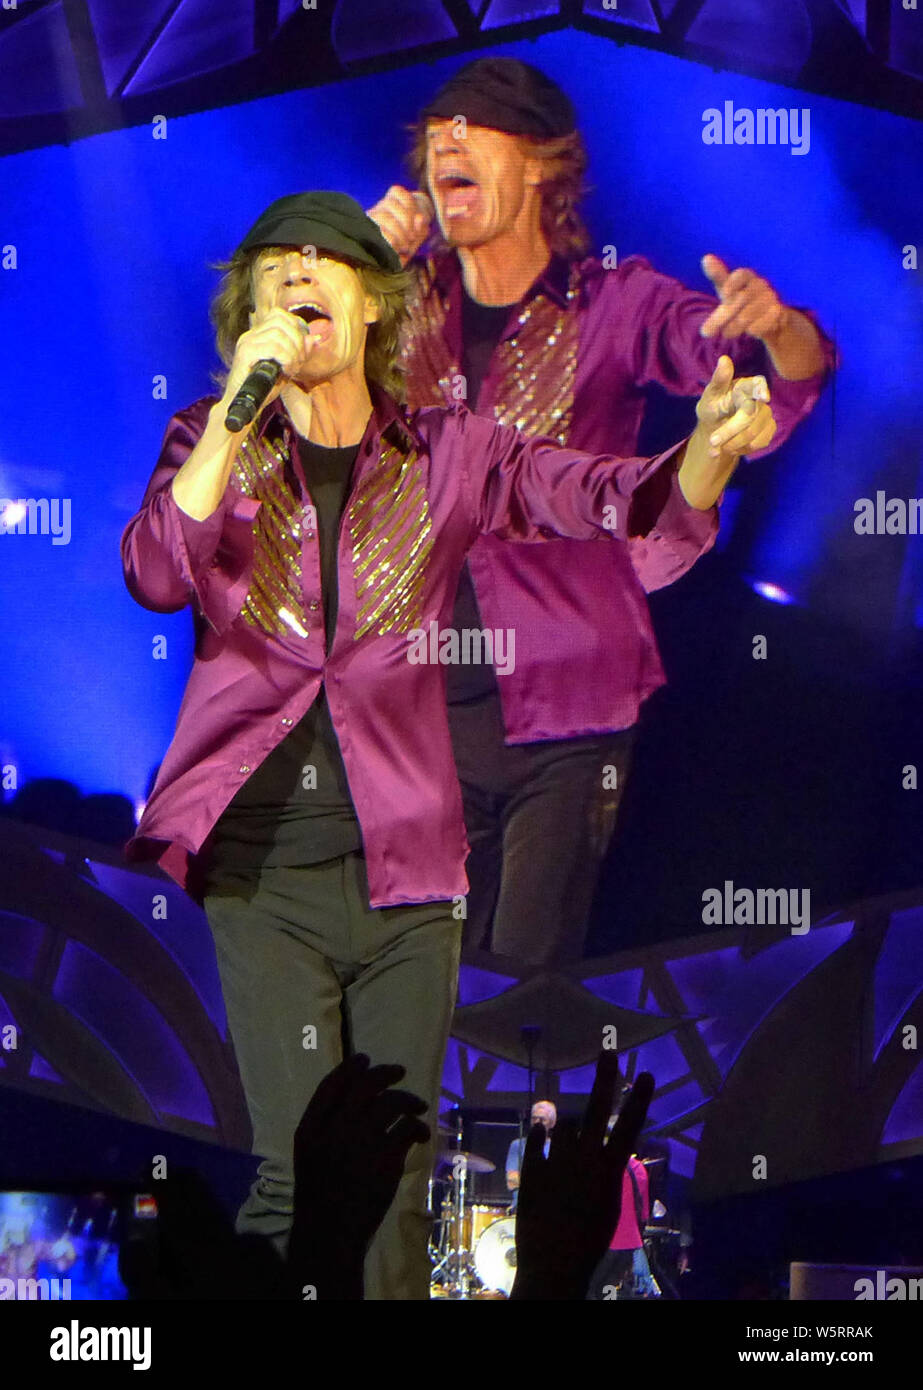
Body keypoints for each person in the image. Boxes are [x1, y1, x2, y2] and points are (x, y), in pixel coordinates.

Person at [121, 190, 774, 1298]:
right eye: (273, 264)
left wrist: (705, 449)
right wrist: (238, 411)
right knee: (294, 1171)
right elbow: (153, 571)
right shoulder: (209, 435)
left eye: (319, 260)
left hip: (408, 875)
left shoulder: (444, 451)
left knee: (405, 1167)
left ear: (374, 301)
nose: (295, 276)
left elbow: (601, 499)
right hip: (261, 866)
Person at [368, 56, 837, 966]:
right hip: (415, 705)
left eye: (479, 124)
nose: (447, 140)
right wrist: (351, 280)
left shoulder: (614, 305)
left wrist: (780, 331)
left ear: (542, 162)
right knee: (414, 984)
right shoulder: (395, 304)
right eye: (437, 129)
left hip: (567, 712)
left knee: (516, 984)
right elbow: (269, 429)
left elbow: (766, 394)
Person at [505, 1100, 555, 1212]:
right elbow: (511, 1180)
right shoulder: (517, 1145)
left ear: (552, 1123)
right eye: (534, 1118)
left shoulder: (557, 1147)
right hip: (521, 1208)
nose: (537, 1122)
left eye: (542, 1119)